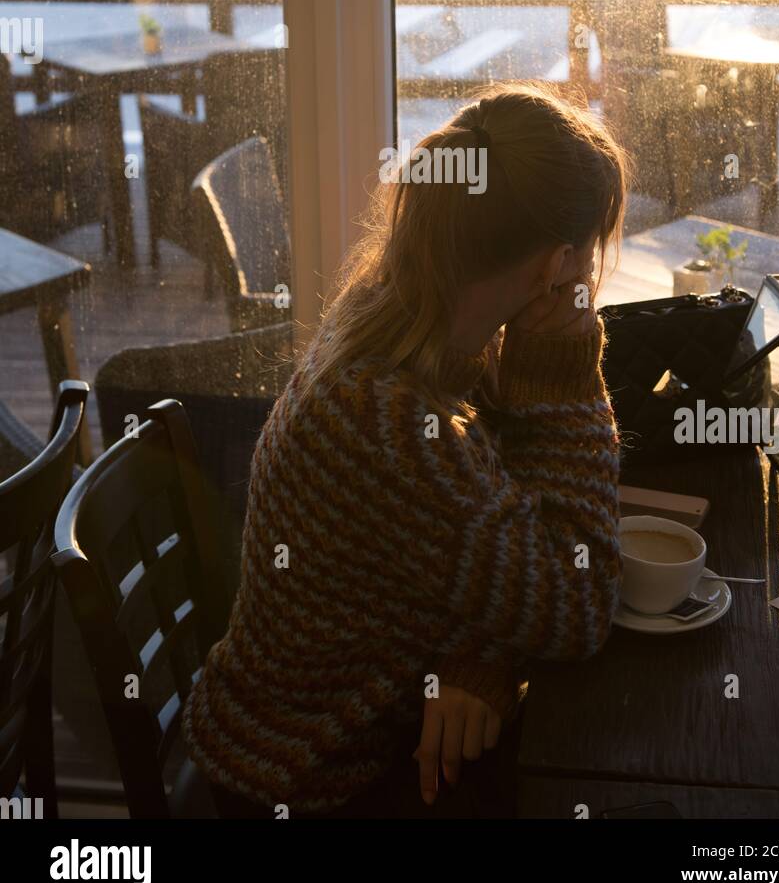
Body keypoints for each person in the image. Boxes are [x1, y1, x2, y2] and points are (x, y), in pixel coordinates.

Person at [182, 80, 628, 818]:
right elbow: (577, 604)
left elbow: (487, 528)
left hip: (346, 741)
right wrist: (565, 371)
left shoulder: (399, 310)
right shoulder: (384, 423)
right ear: (553, 267)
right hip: (309, 782)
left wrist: (480, 659)